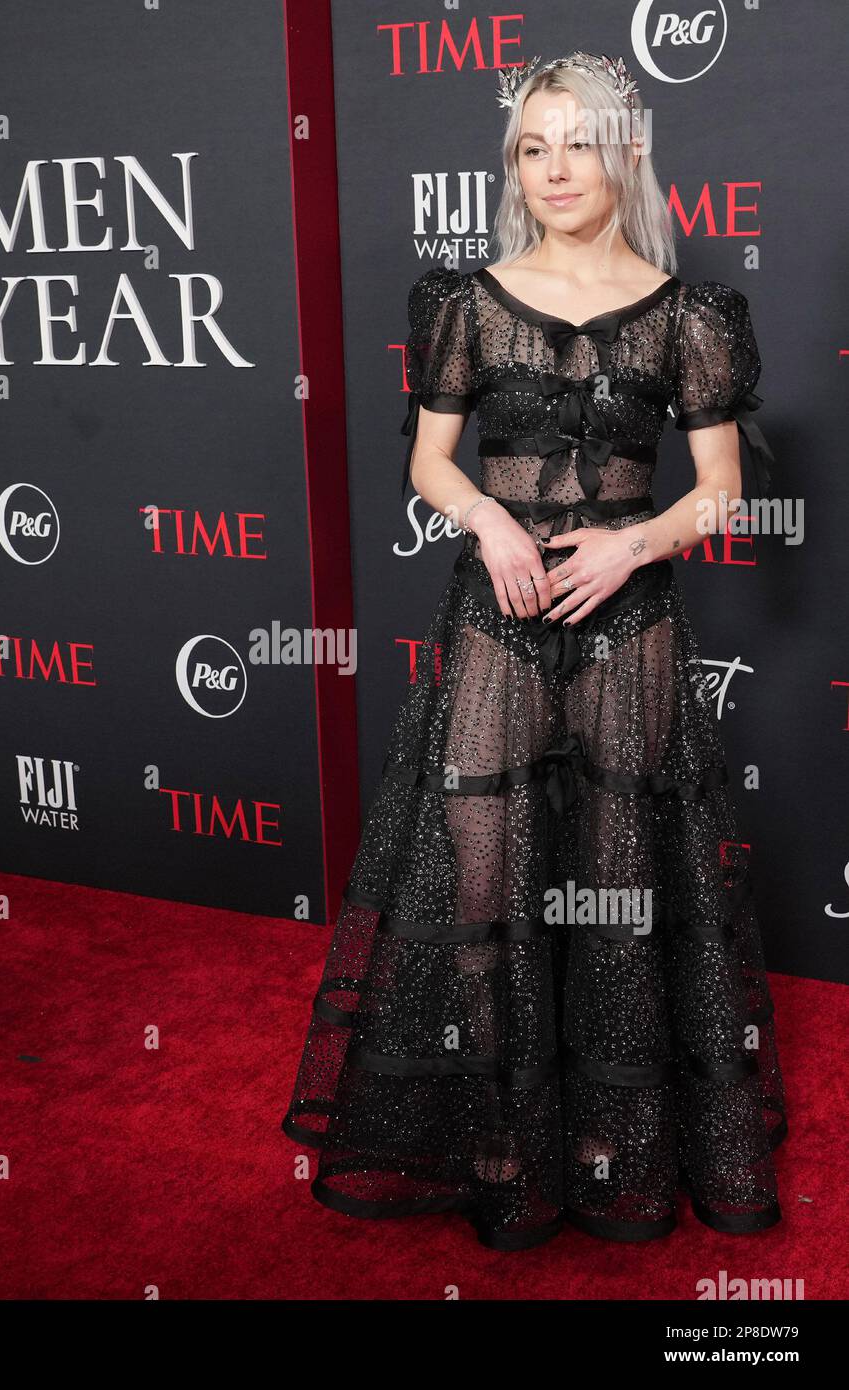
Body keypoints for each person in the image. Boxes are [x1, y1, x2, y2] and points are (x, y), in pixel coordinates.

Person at [280, 52, 787, 1250]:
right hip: (494, 621)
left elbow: (717, 493)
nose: (554, 169)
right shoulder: (463, 299)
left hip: (629, 631)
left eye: (576, 143)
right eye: (531, 147)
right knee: (481, 882)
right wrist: (490, 517)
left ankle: (613, 1147)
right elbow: (426, 461)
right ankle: (498, 1137)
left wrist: (631, 546)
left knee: (615, 883)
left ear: (623, 152)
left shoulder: (687, 315)